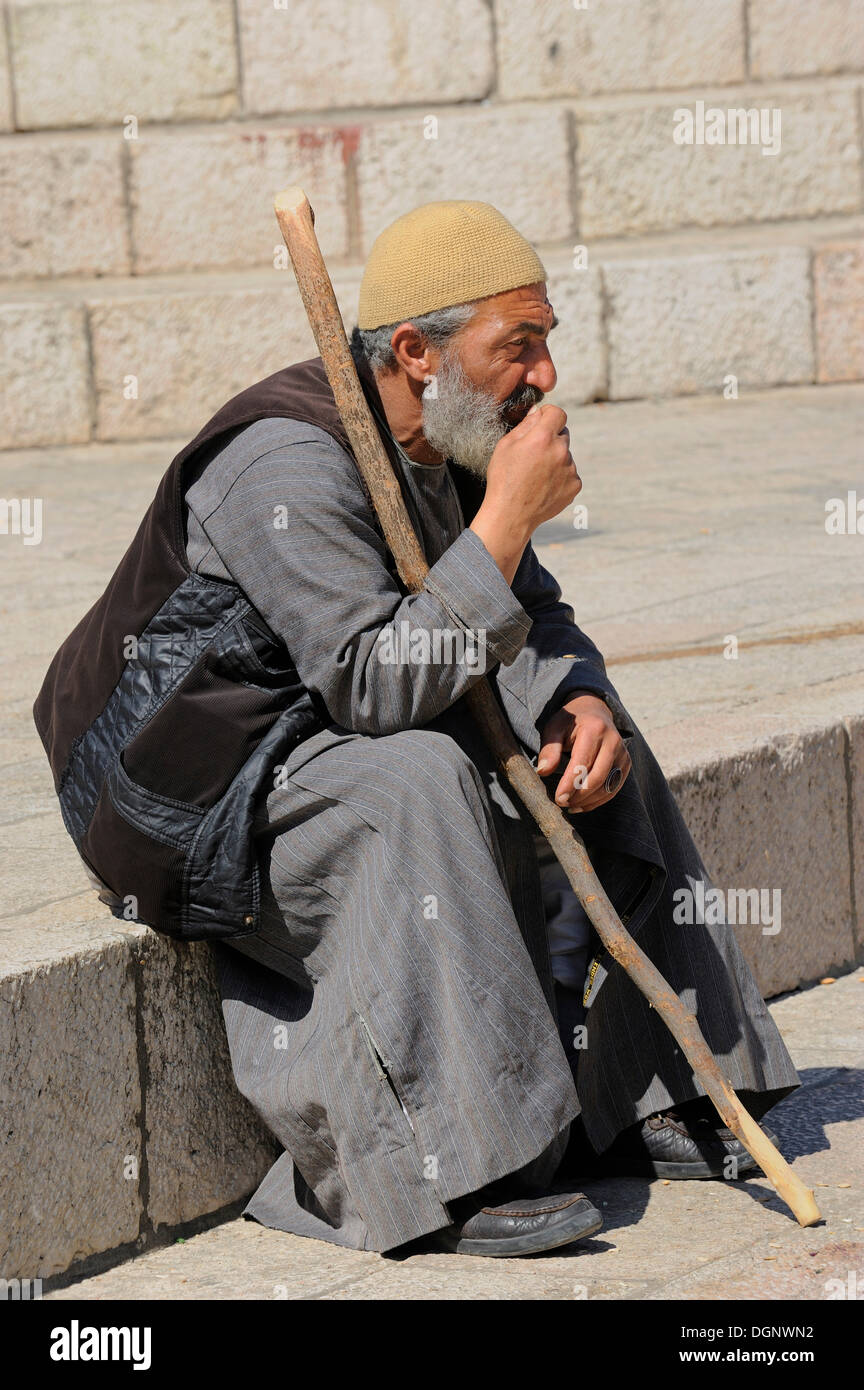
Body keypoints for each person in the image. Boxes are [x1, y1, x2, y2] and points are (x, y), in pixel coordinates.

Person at [39, 200, 801, 1260]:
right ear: (415, 351)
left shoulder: (455, 434)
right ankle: (449, 1169)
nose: (541, 374)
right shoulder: (283, 462)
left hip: (328, 725)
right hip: (185, 785)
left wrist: (579, 699)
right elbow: (368, 685)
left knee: (596, 736)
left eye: (546, 343)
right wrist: (503, 525)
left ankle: (664, 1086)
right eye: (516, 347)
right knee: (416, 776)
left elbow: (533, 623)